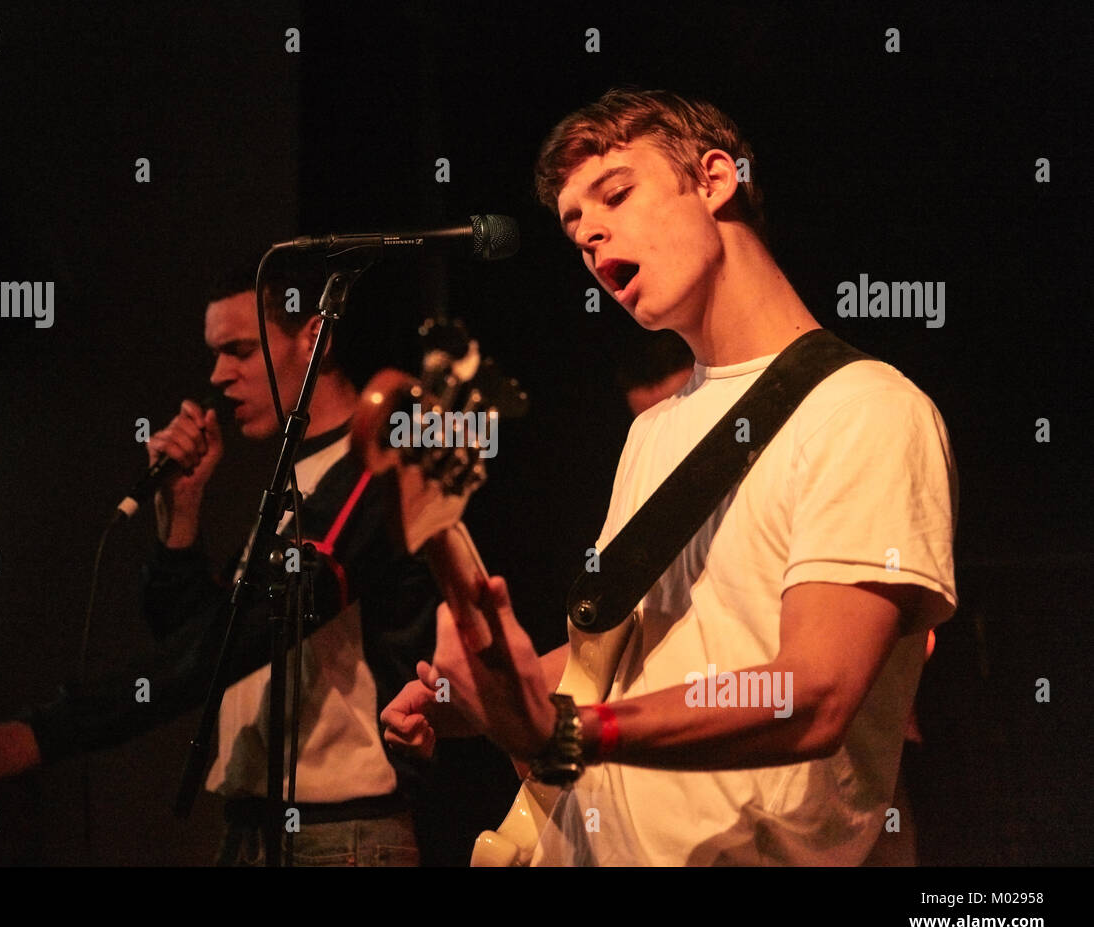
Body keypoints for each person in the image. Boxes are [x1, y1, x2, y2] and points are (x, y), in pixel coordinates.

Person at [382, 88, 957, 865]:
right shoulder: (652, 432)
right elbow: (629, 662)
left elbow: (811, 692)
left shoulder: (866, 410)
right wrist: (486, 696)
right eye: (575, 230)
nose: (590, 237)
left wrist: (573, 733)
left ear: (716, 179)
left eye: (615, 194)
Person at [0, 259, 439, 866]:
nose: (218, 376)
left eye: (239, 351)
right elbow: (197, 639)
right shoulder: (296, 475)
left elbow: (233, 640)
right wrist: (180, 520)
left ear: (315, 337)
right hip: (257, 829)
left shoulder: (373, 468)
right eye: (216, 355)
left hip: (340, 836)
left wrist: (43, 733)